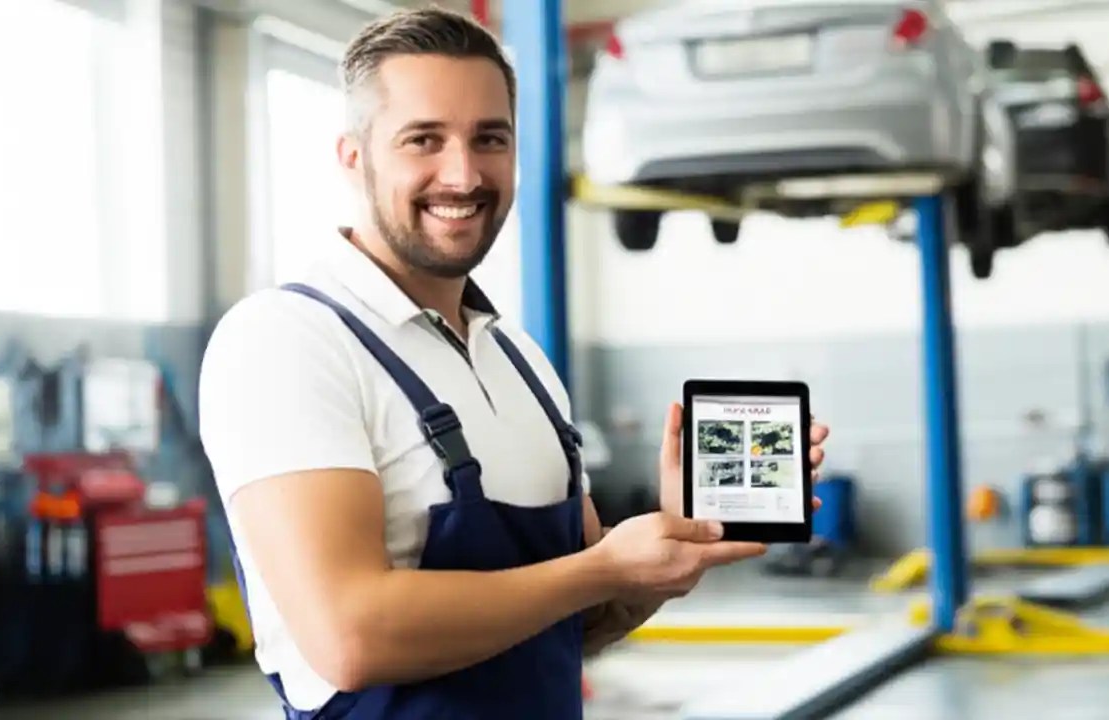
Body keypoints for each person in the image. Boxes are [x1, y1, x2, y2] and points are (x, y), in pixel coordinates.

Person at [197, 8, 831, 720]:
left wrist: (663, 558)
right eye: (424, 139)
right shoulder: (286, 340)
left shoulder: (520, 360)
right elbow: (350, 636)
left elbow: (577, 624)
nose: (463, 174)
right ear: (353, 157)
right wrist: (605, 565)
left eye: (489, 139)